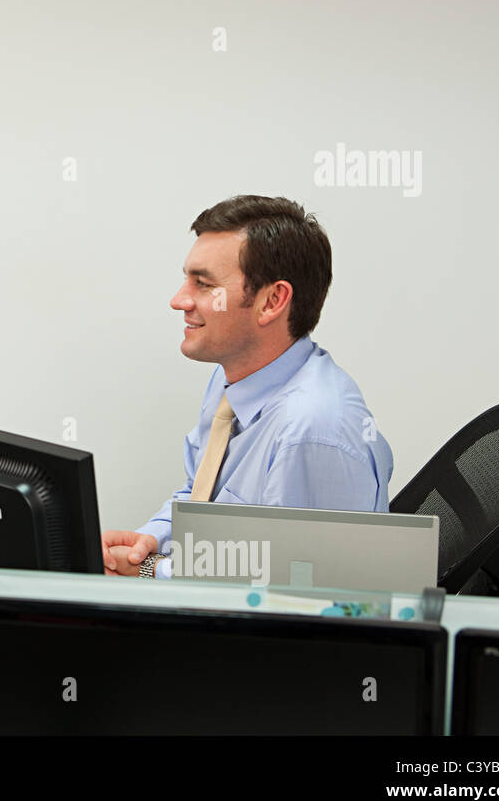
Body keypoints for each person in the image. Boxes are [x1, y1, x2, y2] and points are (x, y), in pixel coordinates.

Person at [103, 195, 392, 577]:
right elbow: (200, 495)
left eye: (203, 284)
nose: (179, 300)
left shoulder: (311, 431)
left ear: (272, 301)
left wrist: (151, 571)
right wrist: (151, 541)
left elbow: (291, 591)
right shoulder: (234, 379)